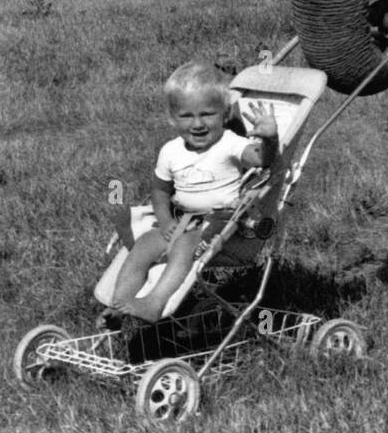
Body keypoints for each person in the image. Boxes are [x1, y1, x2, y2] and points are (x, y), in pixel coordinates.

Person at [109, 61, 279, 322]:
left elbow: (262, 161)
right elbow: (159, 190)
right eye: (187, 116)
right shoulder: (170, 151)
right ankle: (118, 304)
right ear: (172, 118)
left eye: (207, 114)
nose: (197, 124)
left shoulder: (230, 143)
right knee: (144, 245)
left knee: (184, 246)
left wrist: (269, 139)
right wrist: (165, 222)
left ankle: (154, 303)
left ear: (225, 114)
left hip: (221, 225)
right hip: (181, 221)